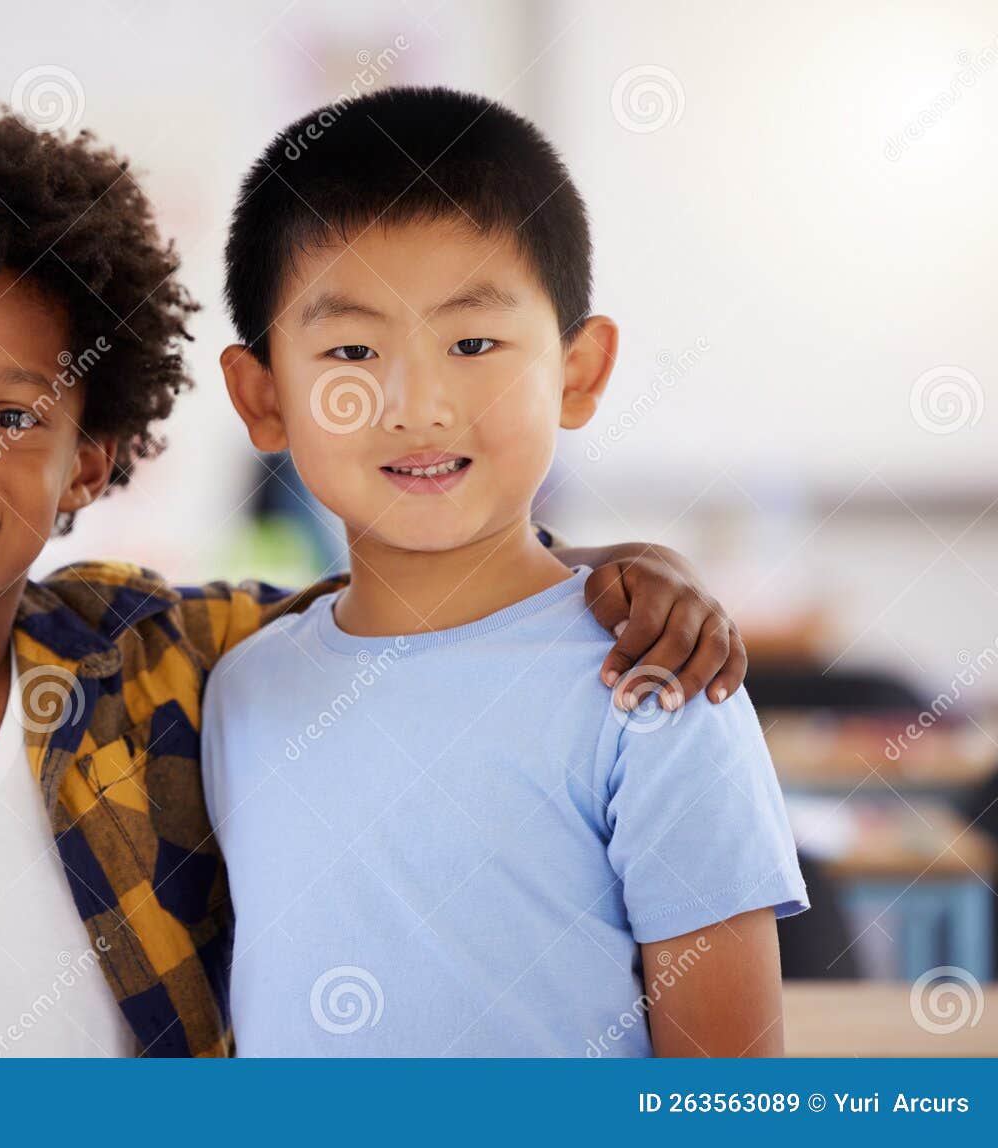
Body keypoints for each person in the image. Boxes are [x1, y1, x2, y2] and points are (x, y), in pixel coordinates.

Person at [0, 84, 751, 1057]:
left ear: (91, 459)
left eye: (13, 417)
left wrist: (618, 568)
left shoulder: (159, 668)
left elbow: (427, 606)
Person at [204, 86, 808, 1057]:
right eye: (351, 348)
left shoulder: (655, 682)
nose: (417, 403)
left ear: (577, 371)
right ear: (263, 397)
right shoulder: (238, 689)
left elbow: (731, 1089)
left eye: (473, 342)